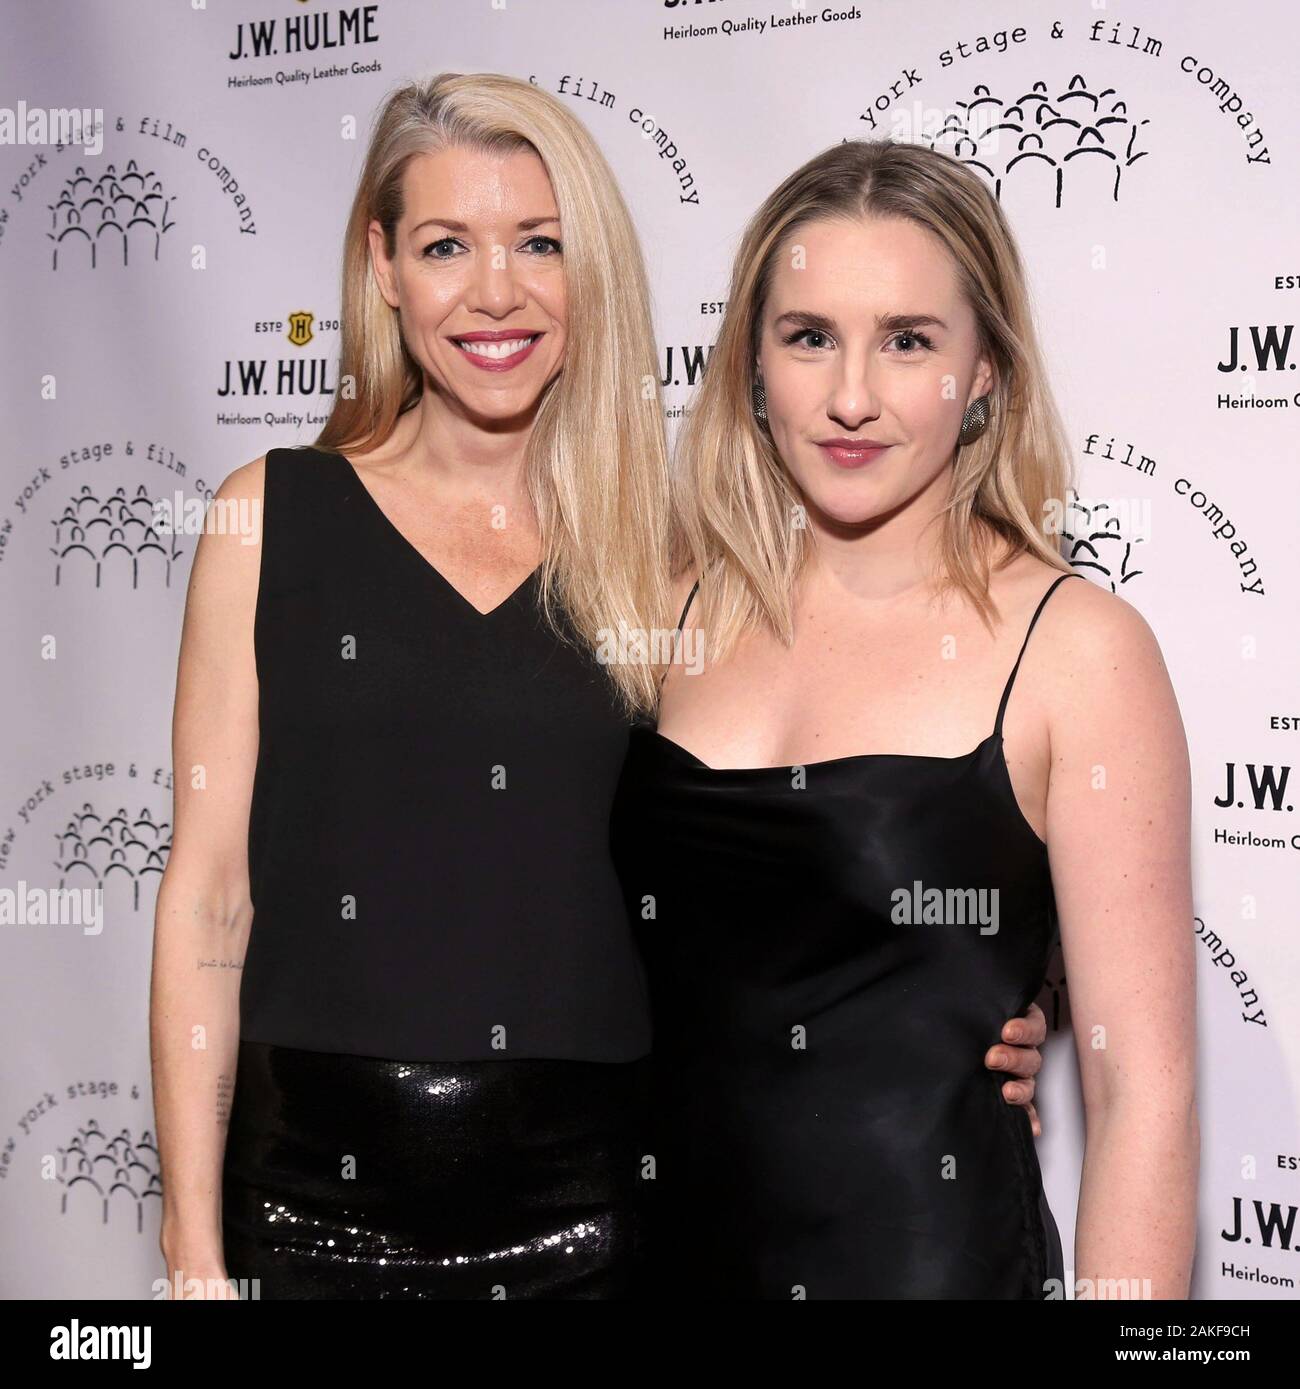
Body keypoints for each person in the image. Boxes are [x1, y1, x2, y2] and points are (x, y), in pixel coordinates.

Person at [148, 77, 1049, 1301]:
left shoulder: (674, 556)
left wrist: (960, 1008)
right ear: (383, 267)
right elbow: (207, 902)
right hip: (312, 1197)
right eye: (445, 246)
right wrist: (190, 1248)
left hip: (605, 1201)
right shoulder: (266, 520)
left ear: (593, 272)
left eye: (539, 243)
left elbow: (799, 833)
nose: (495, 292)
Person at [611, 139, 1197, 1299]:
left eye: (908, 340)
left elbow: (1144, 1098)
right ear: (750, 362)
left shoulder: (1076, 651)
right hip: (647, 1265)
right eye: (808, 335)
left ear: (983, 371)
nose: (849, 397)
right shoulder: (654, 611)